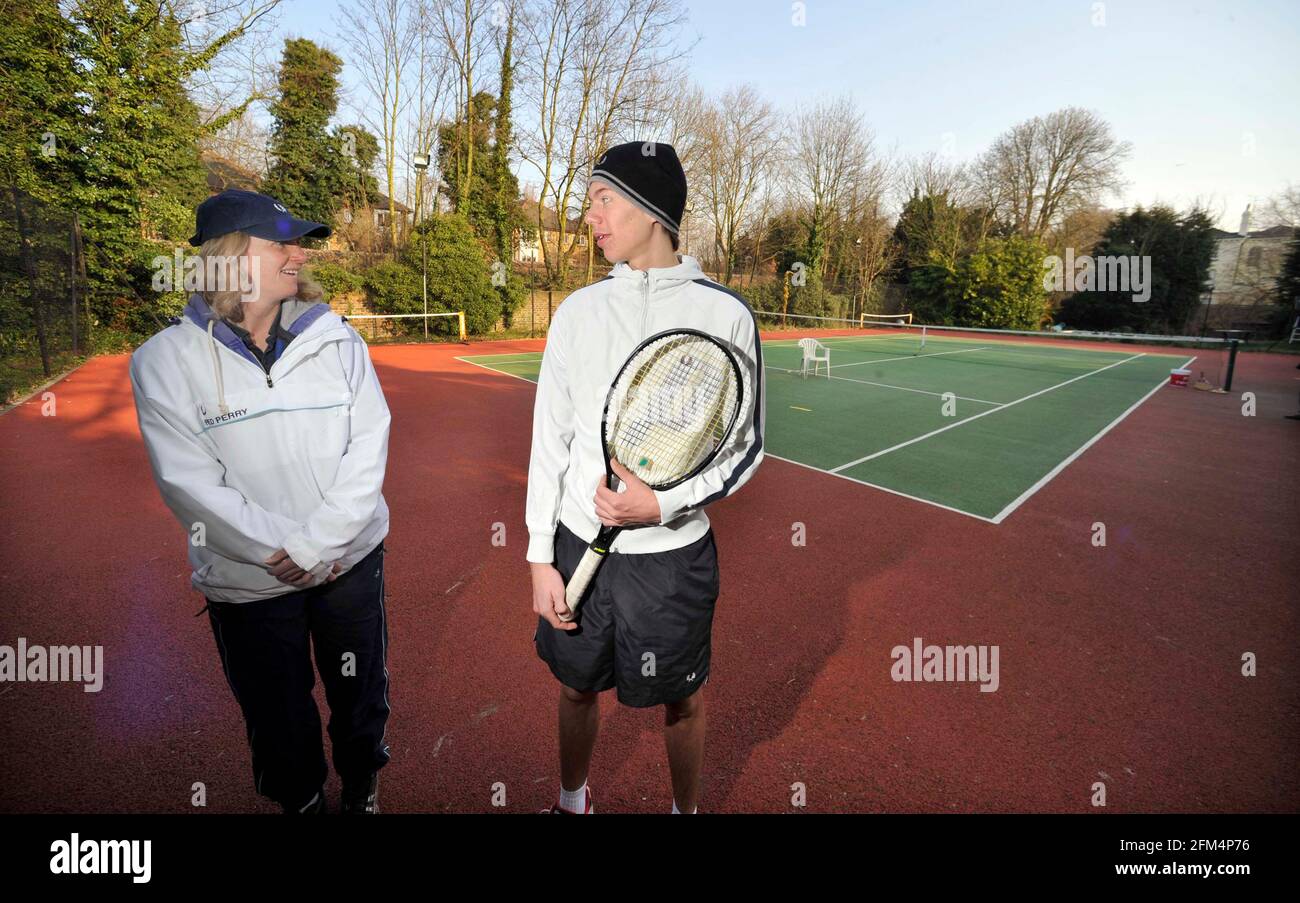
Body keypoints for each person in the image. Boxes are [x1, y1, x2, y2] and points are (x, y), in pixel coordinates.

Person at [129, 189, 393, 814]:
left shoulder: (339, 341)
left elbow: (370, 446)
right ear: (231, 259)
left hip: (347, 565)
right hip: (251, 580)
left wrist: (318, 545)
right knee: (279, 717)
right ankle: (303, 802)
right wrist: (290, 551)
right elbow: (189, 486)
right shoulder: (163, 362)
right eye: (282, 242)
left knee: (360, 698)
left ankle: (361, 790)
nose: (299, 253)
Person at [526, 142, 765, 814]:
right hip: (579, 544)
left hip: (672, 561)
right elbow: (551, 440)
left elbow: (745, 449)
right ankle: (573, 803)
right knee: (575, 687)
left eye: (603, 198)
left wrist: (661, 505)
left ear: (652, 208)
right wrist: (539, 556)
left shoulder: (726, 315)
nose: (589, 216)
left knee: (683, 700)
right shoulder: (577, 312)